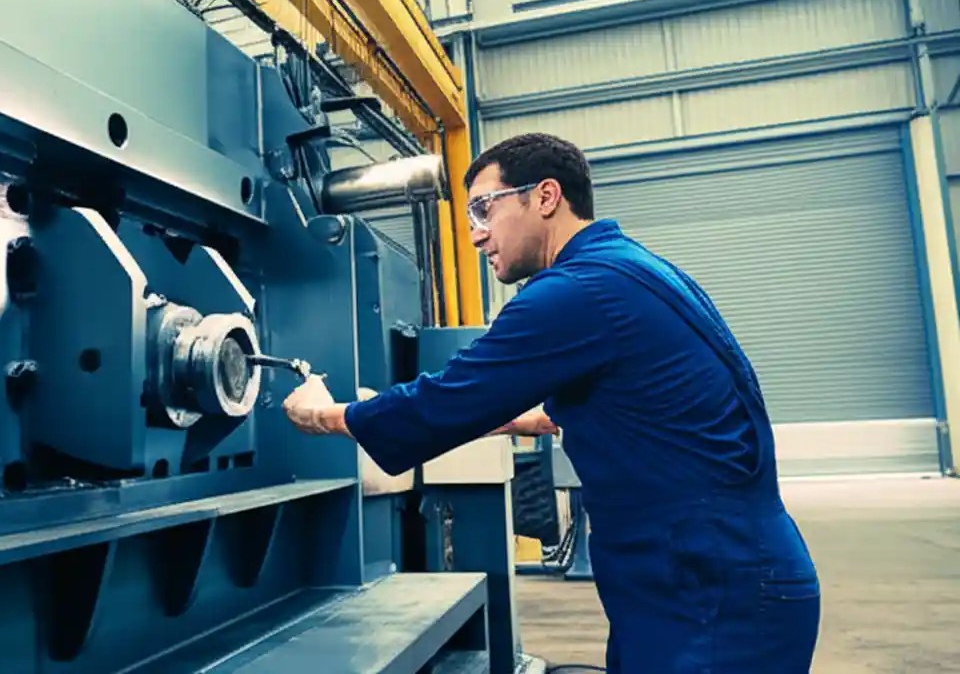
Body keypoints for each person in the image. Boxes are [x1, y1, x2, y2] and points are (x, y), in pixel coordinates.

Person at [281, 132, 821, 672]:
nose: (475, 235)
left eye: (483, 209)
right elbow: (626, 400)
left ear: (544, 197)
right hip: (713, 574)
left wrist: (327, 415)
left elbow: (449, 398)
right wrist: (514, 419)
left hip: (713, 594)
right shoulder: (629, 270)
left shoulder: (577, 291)